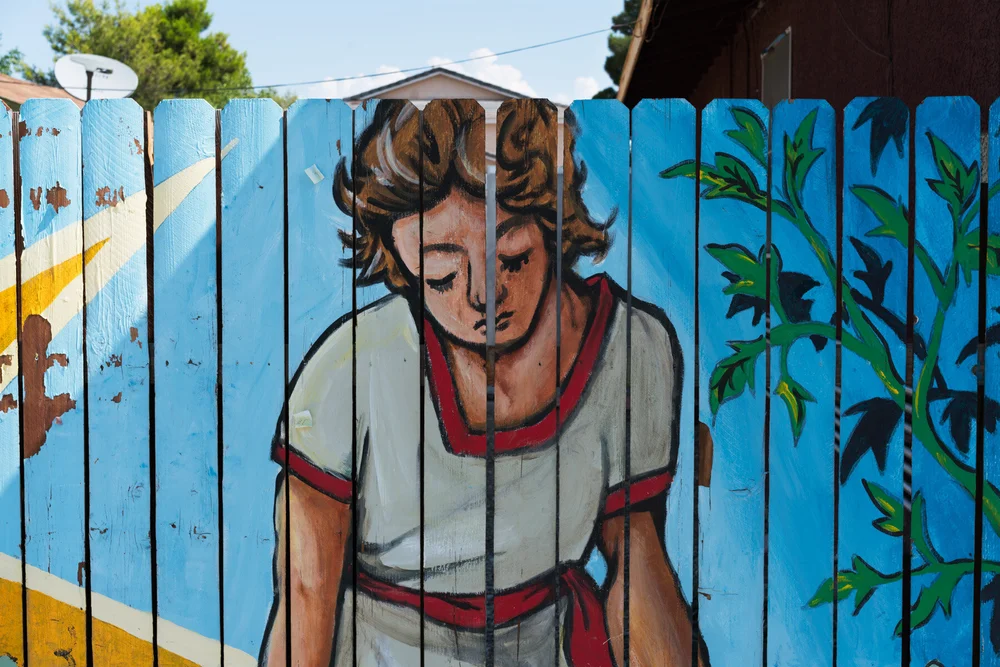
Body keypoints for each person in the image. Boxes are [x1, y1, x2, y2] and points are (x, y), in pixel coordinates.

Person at [260, 99, 706, 666]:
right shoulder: (351, 369)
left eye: (513, 257)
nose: (482, 296)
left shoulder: (633, 348)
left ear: (554, 225)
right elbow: (306, 593)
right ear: (402, 263)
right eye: (441, 273)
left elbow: (638, 571)